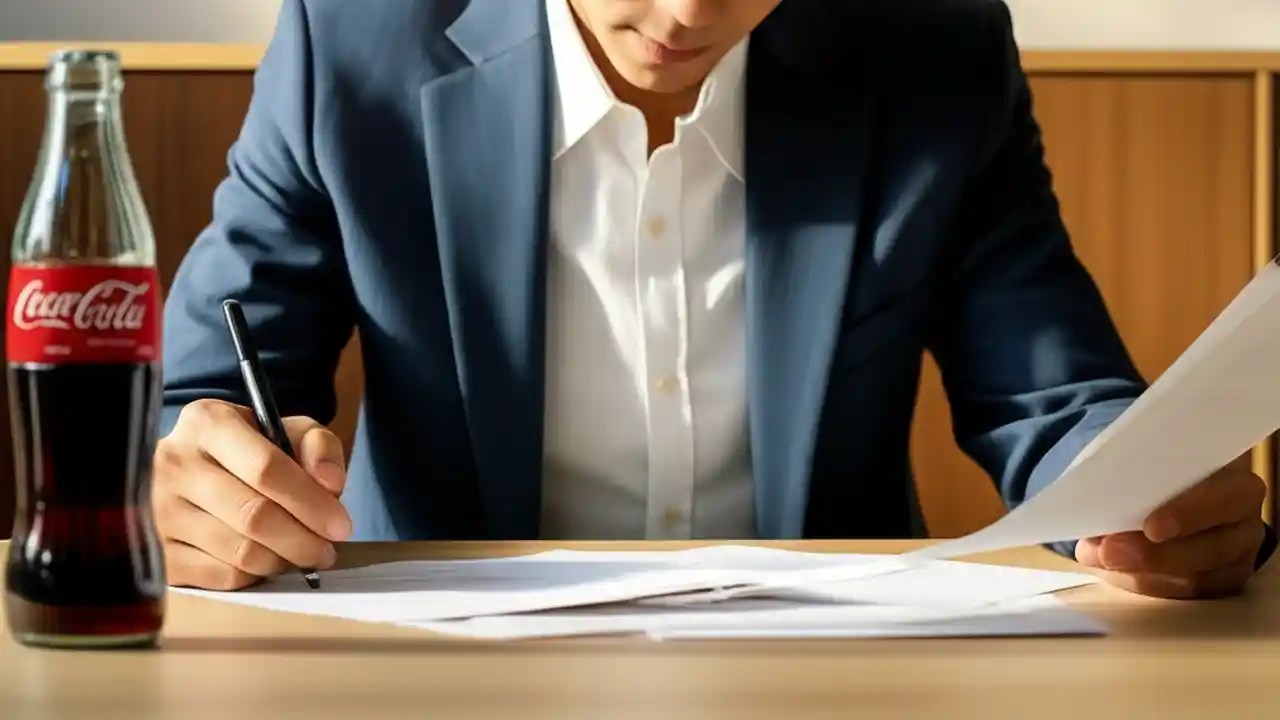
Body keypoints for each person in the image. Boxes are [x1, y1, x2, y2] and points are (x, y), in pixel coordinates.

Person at [156, 0, 1273, 597]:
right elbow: (203, 395)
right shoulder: (352, 41)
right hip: (438, 673)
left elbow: (1052, 399)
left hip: (832, 684)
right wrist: (202, 479)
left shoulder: (934, 49)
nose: (683, 9)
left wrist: (1137, 496)